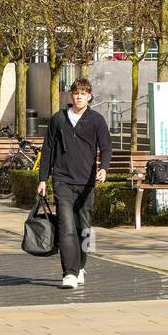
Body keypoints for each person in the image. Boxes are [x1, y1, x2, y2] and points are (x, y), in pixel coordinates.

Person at [37, 79, 113, 290]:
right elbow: (48, 150)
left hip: (87, 183)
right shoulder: (58, 119)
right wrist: (43, 179)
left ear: (89, 96)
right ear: (71, 96)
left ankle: (80, 266)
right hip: (62, 180)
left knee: (85, 228)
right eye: (76, 93)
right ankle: (69, 273)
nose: (79, 96)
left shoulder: (97, 120)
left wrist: (104, 168)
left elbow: (106, 147)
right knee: (66, 227)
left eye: (83, 93)